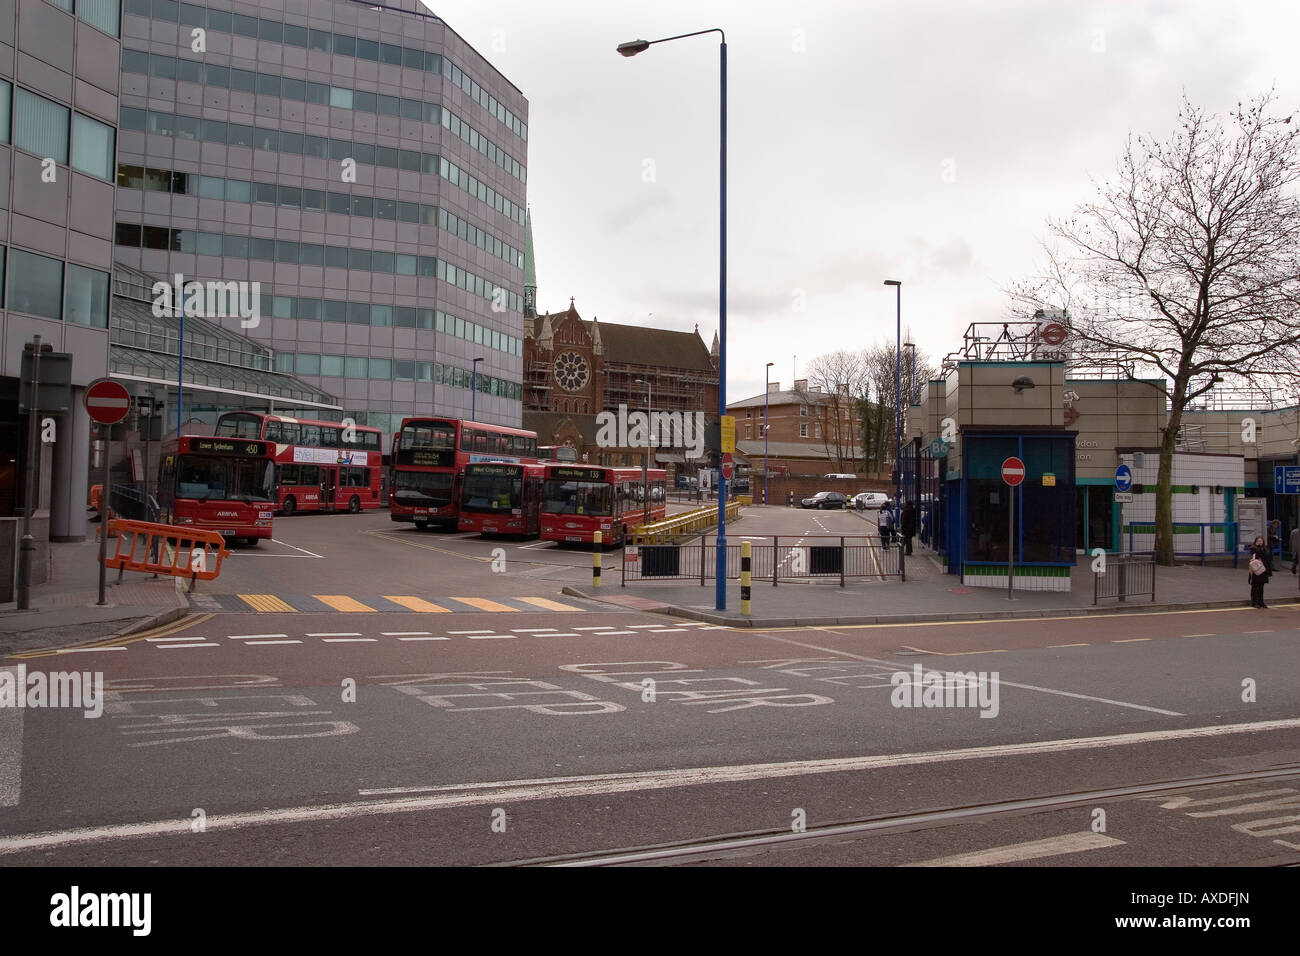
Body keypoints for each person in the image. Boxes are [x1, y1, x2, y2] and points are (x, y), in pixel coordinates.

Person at [1248, 535, 1272, 609]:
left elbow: (1268, 559)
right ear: (1255, 542)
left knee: (1261, 587)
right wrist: (1258, 548)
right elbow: (1256, 556)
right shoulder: (1253, 549)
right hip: (1256, 570)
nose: (1260, 542)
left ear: (1263, 542)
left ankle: (1261, 602)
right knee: (1255, 586)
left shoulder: (1265, 549)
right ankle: (1254, 602)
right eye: (1258, 541)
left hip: (1263, 570)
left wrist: (1269, 571)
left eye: (1261, 541)